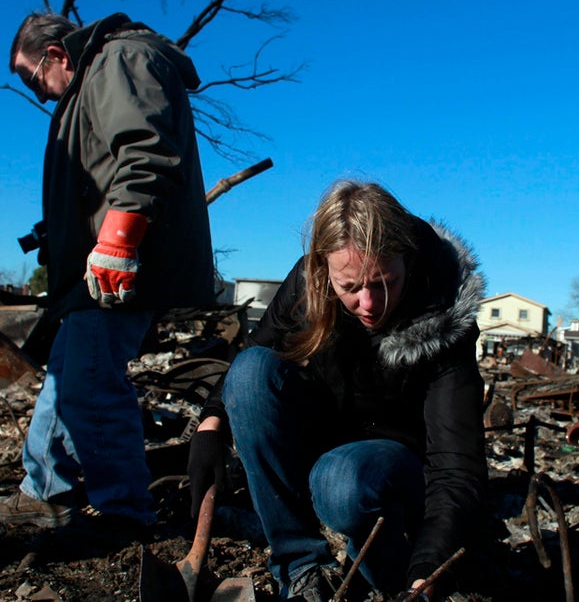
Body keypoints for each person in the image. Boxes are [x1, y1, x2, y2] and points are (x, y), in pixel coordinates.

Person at [188, 181, 487, 601]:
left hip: (402, 464)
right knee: (251, 371)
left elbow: (456, 463)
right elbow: (257, 352)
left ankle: (389, 562)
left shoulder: (442, 311)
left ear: (408, 260)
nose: (367, 303)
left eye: (384, 282)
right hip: (331, 438)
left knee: (342, 482)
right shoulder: (311, 281)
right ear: (326, 270)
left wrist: (428, 568)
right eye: (349, 288)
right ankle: (302, 568)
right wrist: (212, 421)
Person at [0, 12, 215, 529]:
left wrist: (117, 236)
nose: (38, 94)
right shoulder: (95, 77)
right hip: (95, 272)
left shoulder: (121, 58)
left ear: (57, 55)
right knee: (67, 377)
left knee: (89, 384)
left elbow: (146, 153)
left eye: (31, 77)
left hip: (120, 270)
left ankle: (124, 511)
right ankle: (43, 492)